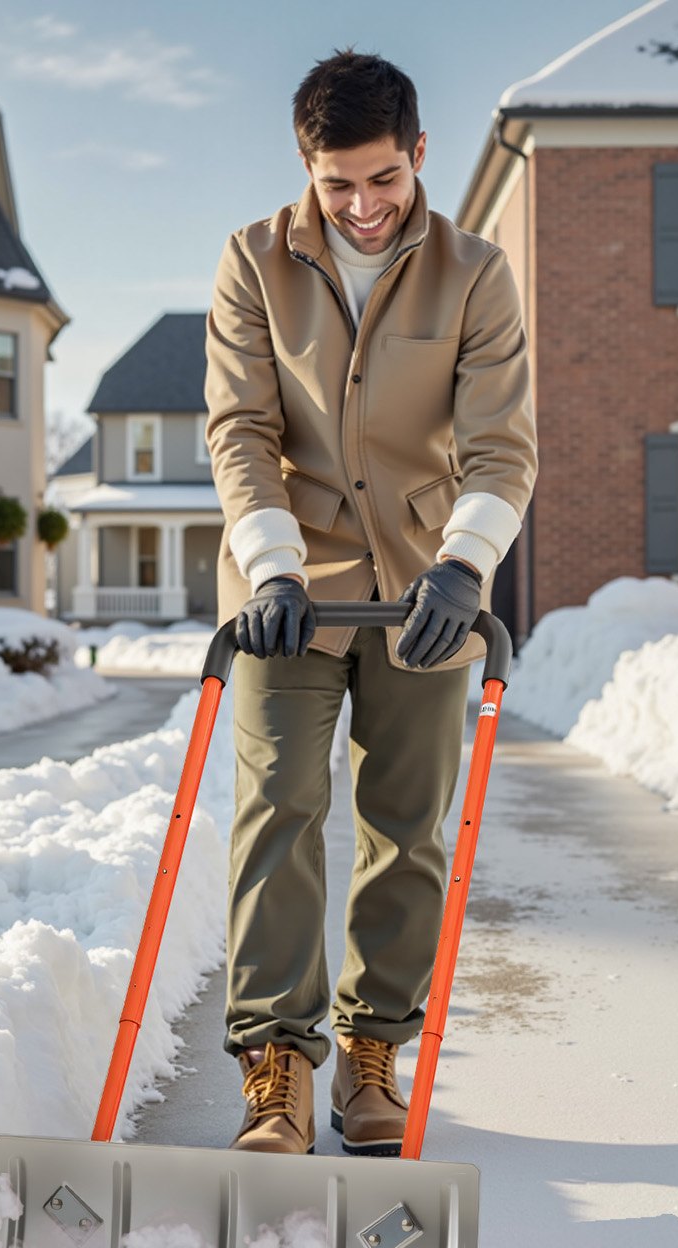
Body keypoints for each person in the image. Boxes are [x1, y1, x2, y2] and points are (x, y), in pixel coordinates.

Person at [204, 48, 536, 1157]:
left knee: (406, 830)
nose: (361, 207)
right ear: (308, 166)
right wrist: (270, 564)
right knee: (278, 815)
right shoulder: (252, 264)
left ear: (418, 156)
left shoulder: (475, 273)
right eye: (337, 183)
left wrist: (464, 562)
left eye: (383, 179)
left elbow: (499, 447)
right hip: (284, 593)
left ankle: (372, 1055)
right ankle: (275, 1068)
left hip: (423, 594)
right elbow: (240, 430)